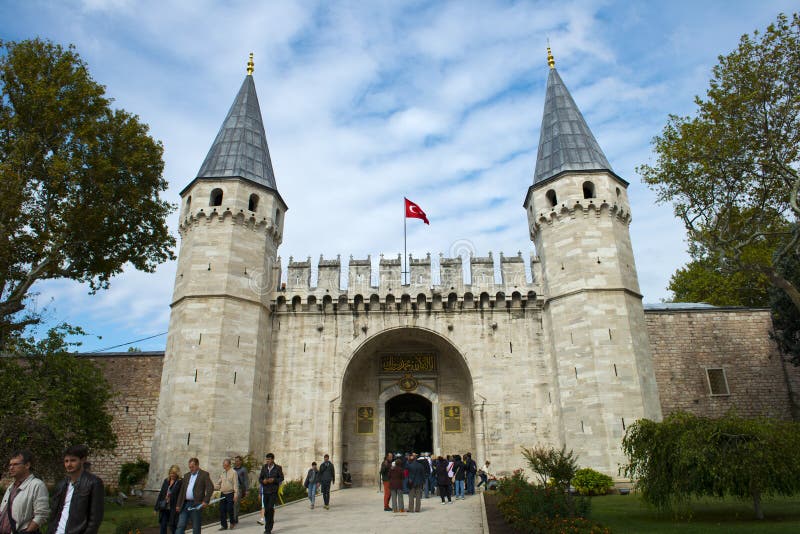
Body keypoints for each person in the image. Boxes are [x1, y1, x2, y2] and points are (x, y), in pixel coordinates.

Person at [47, 445, 104, 534]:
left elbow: (95, 519)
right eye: (66, 461)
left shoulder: (93, 483)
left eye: (73, 460)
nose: (69, 464)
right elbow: (54, 515)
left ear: (82, 460)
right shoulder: (61, 485)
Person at [0, 450, 49, 534]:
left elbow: (41, 515)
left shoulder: (37, 485)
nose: (11, 468)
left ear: (27, 465)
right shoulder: (11, 486)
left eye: (15, 464)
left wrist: (27, 532)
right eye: (10, 465)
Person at [175, 458, 214, 534]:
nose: (191, 469)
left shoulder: (204, 474)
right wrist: (178, 504)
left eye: (192, 467)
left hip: (196, 504)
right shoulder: (186, 475)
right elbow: (182, 491)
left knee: (196, 527)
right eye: (189, 467)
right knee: (180, 525)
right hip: (185, 504)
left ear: (197, 465)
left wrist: (206, 500)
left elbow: (210, 487)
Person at [259, 453, 284, 534]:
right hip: (265, 491)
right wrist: (263, 481)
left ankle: (268, 528)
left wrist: (274, 480)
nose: (267, 461)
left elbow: (281, 478)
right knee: (266, 510)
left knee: (270, 508)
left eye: (269, 459)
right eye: (266, 459)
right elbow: (260, 478)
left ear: (273, 459)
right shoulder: (264, 467)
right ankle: (268, 526)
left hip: (273, 491)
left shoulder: (278, 468)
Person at [154, 465, 182, 534]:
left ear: (177, 474)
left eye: (174, 473)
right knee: (163, 525)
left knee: (173, 526)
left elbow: (181, 495)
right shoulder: (166, 481)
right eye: (171, 473)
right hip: (164, 507)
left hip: (173, 507)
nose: (172, 475)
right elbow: (161, 494)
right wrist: (156, 508)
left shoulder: (180, 482)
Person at [215, 459, 239, 530]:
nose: (224, 466)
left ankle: (232, 522)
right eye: (223, 465)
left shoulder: (234, 472)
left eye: (225, 465)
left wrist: (236, 494)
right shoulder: (222, 472)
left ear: (229, 465)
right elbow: (218, 482)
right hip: (223, 493)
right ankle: (224, 525)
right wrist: (214, 486)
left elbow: (236, 484)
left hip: (230, 493)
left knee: (229, 509)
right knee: (222, 510)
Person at [232, 457, 248, 527]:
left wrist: (247, 490)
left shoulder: (243, 469)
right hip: (232, 489)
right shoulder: (232, 469)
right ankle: (234, 517)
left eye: (238, 461)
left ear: (241, 462)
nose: (236, 462)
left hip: (239, 489)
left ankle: (234, 518)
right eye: (235, 461)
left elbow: (246, 480)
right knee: (232, 504)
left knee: (236, 503)